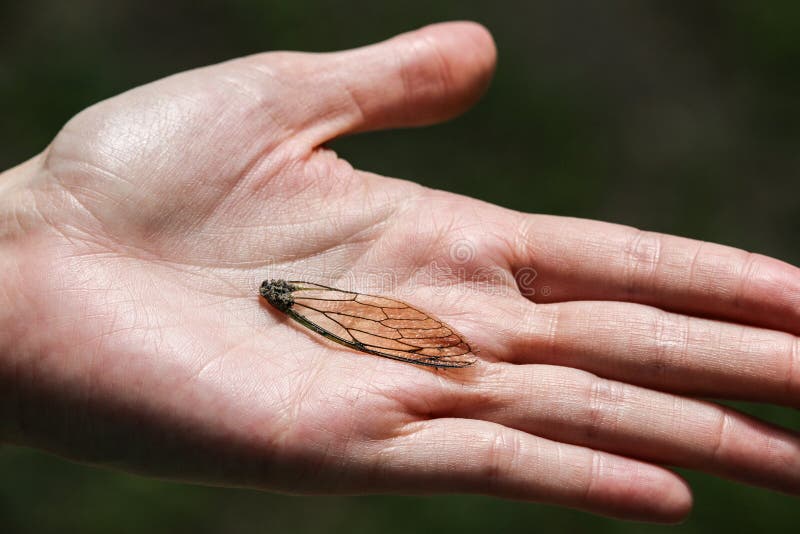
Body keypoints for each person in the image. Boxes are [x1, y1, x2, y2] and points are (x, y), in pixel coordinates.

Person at [0, 22, 797, 523]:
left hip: (343, 310)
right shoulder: (304, 305)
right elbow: (345, 316)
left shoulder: (304, 303)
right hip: (340, 311)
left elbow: (349, 315)